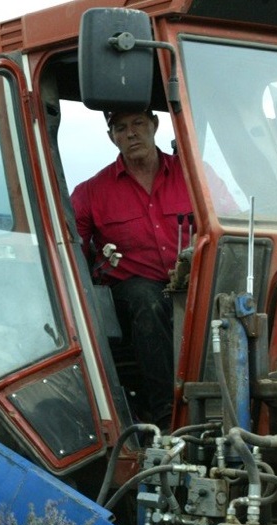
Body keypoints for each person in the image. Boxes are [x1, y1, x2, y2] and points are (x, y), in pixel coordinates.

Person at [71, 109, 191, 430]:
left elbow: (229, 225)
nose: (131, 133)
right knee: (146, 299)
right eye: (121, 128)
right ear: (112, 137)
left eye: (138, 123)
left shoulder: (194, 175)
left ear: (154, 124)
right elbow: (71, 261)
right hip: (131, 296)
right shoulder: (90, 193)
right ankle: (168, 416)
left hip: (192, 285)